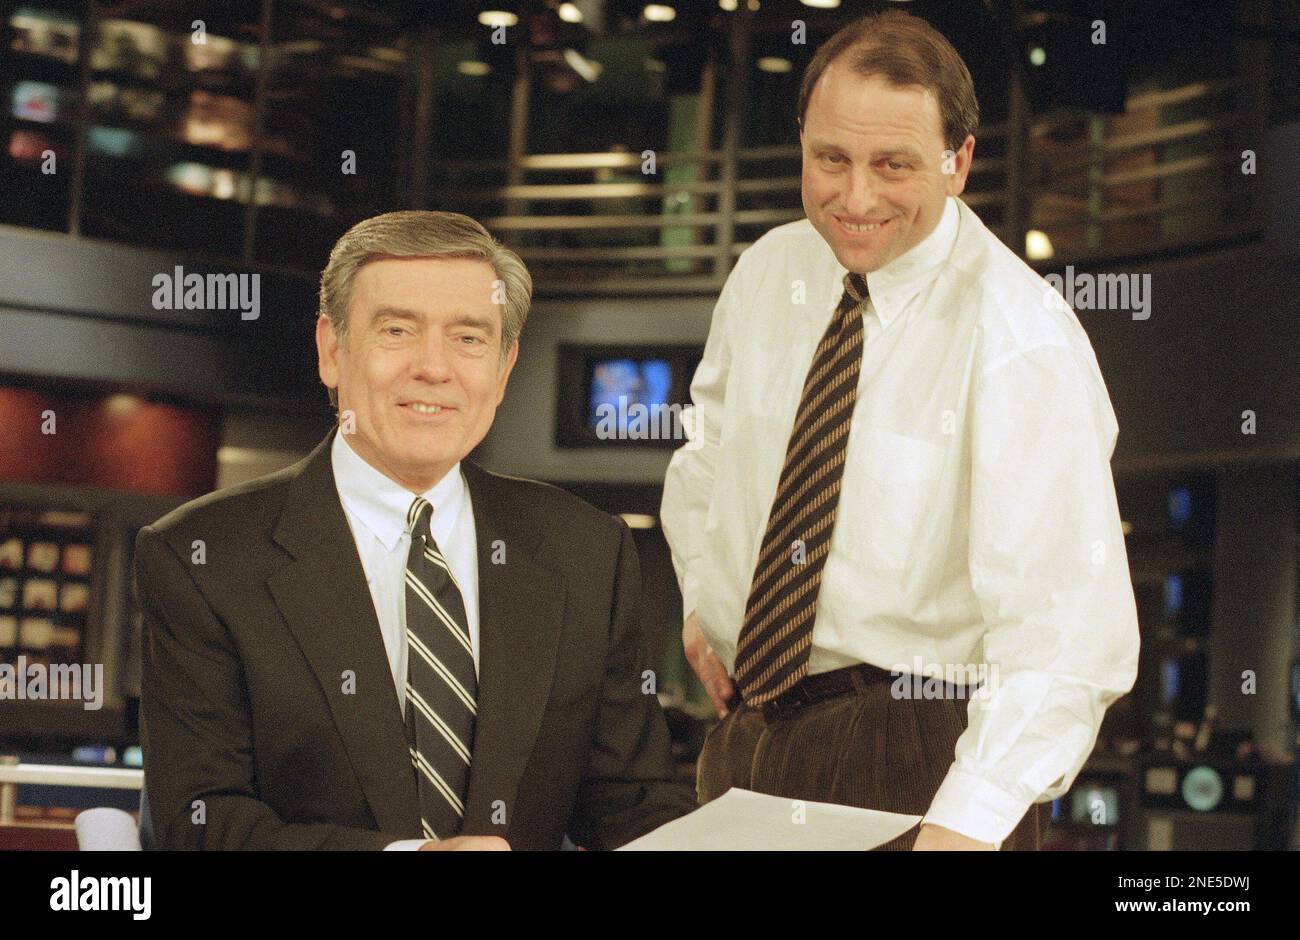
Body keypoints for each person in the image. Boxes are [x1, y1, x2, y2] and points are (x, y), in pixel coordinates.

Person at [660, 9, 1139, 850]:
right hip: (745, 741)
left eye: (894, 165)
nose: (856, 198)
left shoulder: (1019, 334)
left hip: (921, 755)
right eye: (830, 159)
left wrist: (968, 819)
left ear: (959, 163)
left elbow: (1066, 632)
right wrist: (707, 603)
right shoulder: (769, 270)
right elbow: (708, 455)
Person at [137, 210, 695, 850]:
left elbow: (634, 807)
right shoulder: (202, 558)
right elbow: (202, 822)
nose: (434, 368)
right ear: (331, 350)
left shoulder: (585, 550)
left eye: (468, 339)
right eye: (398, 330)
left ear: (504, 369)